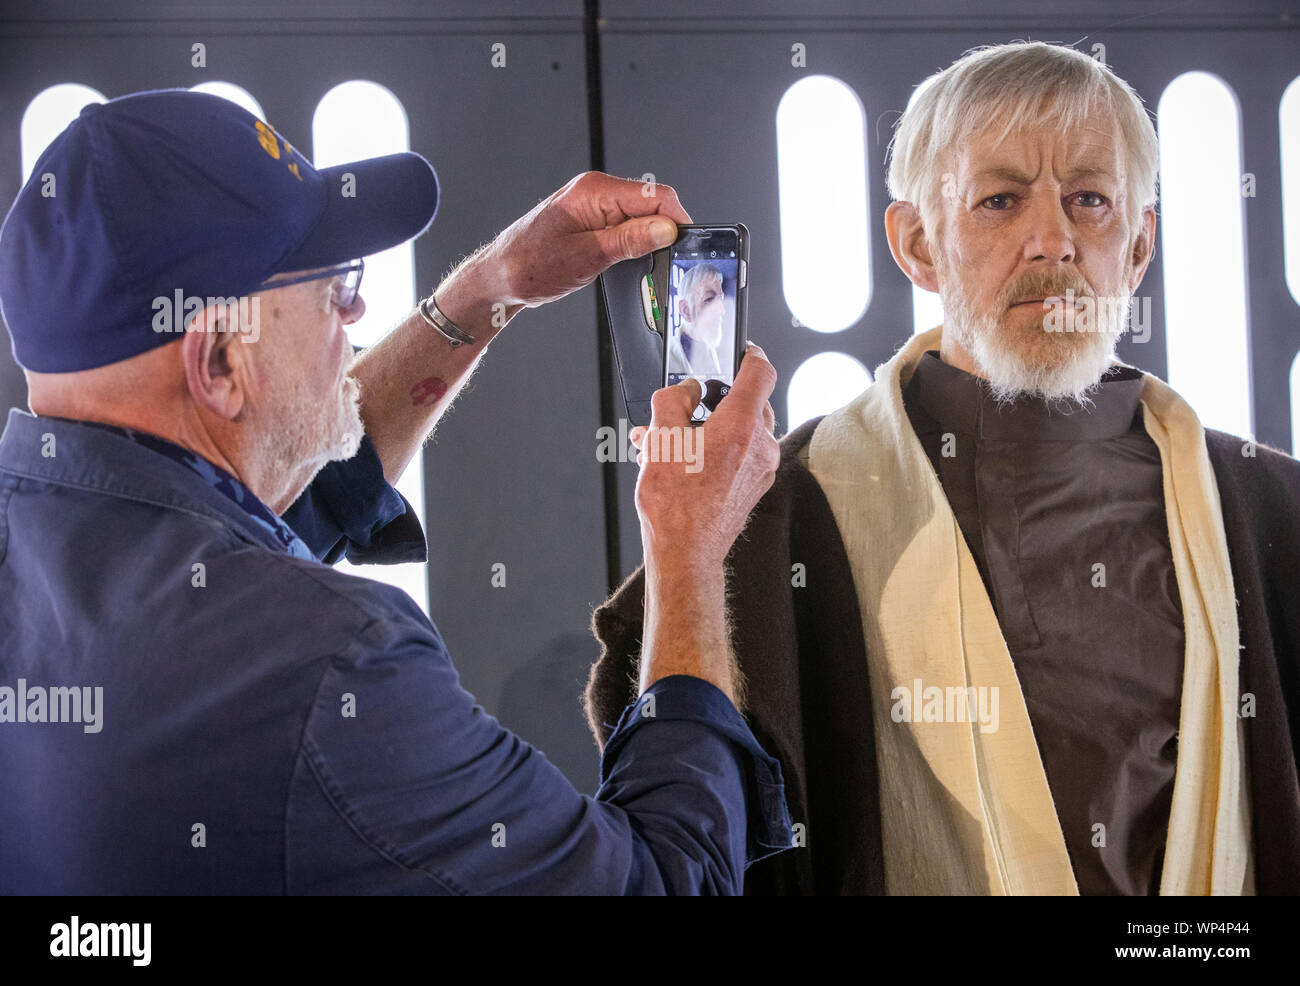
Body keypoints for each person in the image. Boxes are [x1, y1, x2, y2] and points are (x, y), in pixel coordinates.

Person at [0, 88, 792, 894]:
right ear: (217, 365)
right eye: (333, 289)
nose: (357, 311)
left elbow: (265, 519)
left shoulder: (76, 552)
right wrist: (686, 544)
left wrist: (489, 291)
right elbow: (664, 883)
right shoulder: (331, 664)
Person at [587, 41, 1300, 895]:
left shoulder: (1269, 513)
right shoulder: (774, 513)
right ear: (917, 243)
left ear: (1140, 246)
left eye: (1090, 200)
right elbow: (680, 821)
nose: (1052, 241)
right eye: (999, 200)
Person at [667, 262, 728, 378]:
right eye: (709, 299)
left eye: (721, 299)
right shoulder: (665, 356)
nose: (722, 310)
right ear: (685, 310)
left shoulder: (714, 349)